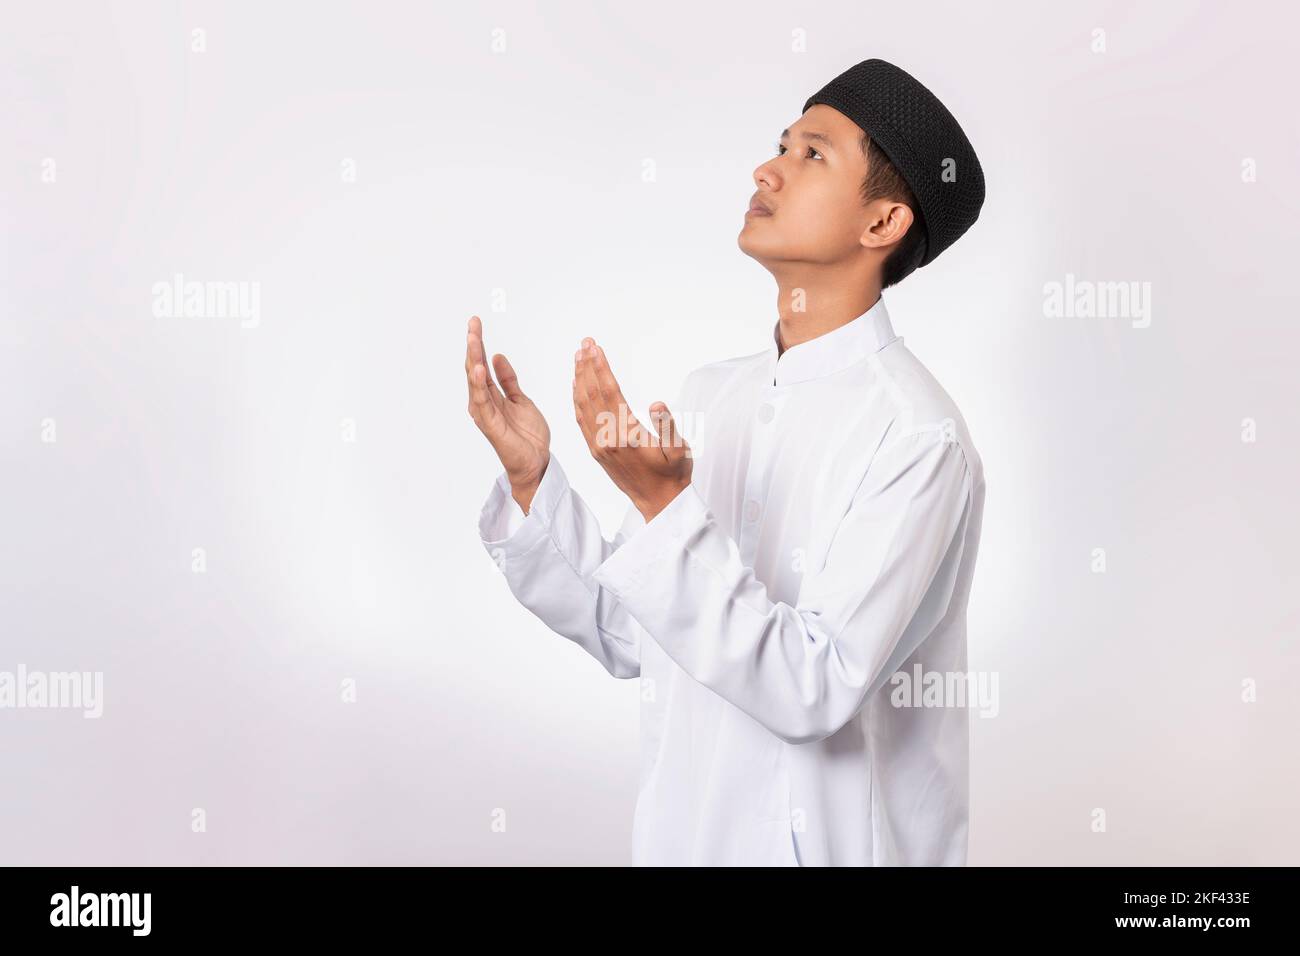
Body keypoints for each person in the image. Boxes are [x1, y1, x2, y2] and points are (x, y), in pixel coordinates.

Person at [466, 57, 987, 866]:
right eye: (781, 143)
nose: (766, 168)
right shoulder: (711, 395)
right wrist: (537, 483)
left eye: (812, 154)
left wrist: (667, 513)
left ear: (881, 224)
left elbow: (813, 687)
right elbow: (640, 637)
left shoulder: (919, 437)